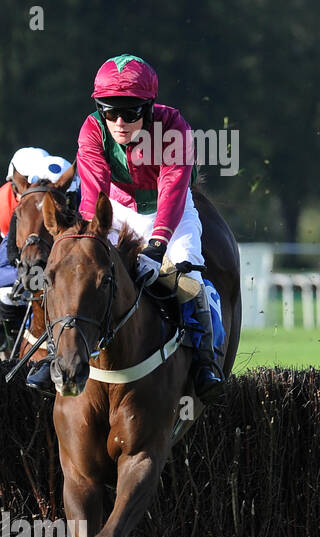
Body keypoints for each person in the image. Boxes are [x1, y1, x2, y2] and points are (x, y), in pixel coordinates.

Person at [24, 54, 225, 400]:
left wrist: (158, 245)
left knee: (186, 278)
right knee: (79, 272)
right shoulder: (92, 129)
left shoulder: (173, 127)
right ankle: (52, 353)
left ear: (148, 108)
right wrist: (89, 236)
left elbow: (174, 189)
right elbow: (93, 191)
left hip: (169, 210)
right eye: (109, 110)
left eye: (130, 113)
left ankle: (205, 360)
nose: (118, 121)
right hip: (115, 209)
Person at [0, 147, 75, 355]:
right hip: (12, 269)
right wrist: (26, 275)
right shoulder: (9, 208)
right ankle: (2, 348)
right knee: (8, 296)